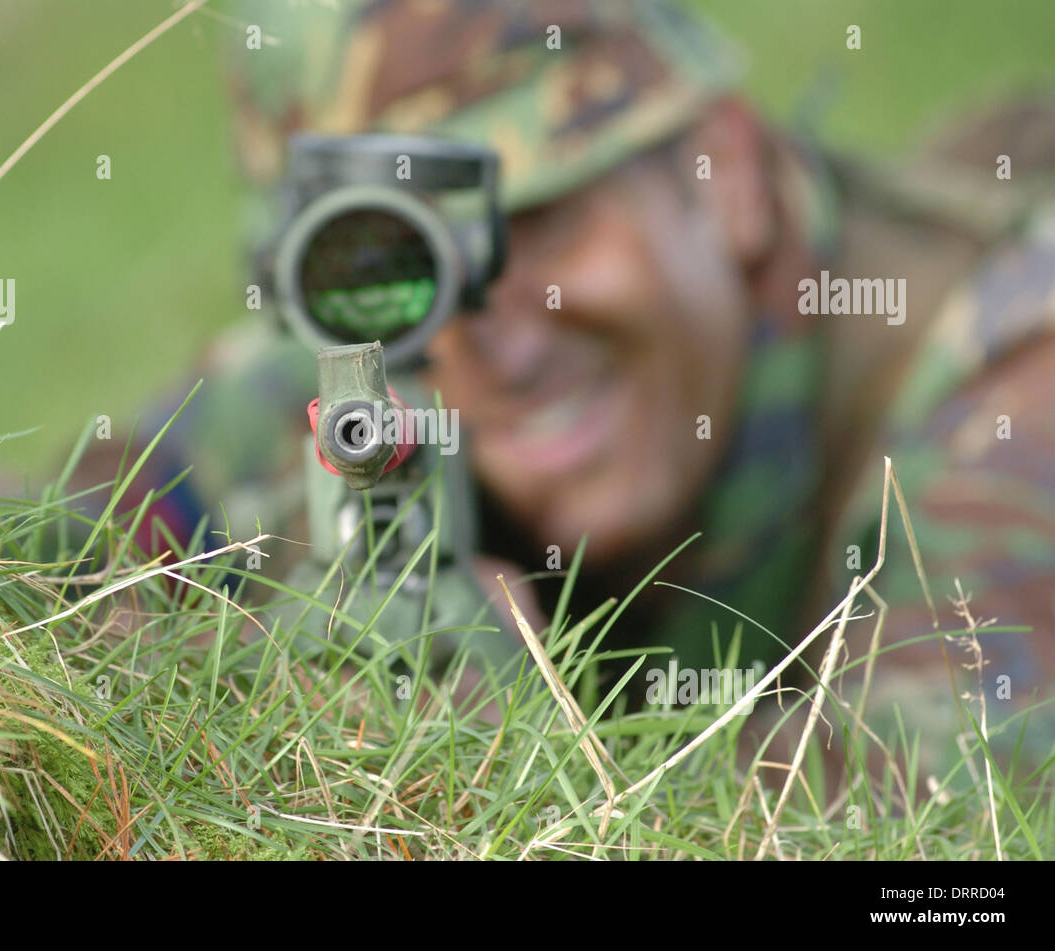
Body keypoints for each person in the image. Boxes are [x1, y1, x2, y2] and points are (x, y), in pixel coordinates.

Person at [79, 0, 1055, 777]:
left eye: (537, 220)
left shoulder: (1019, 395)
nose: (492, 342)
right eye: (396, 255)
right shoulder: (378, 366)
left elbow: (930, 834)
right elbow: (36, 546)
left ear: (728, 171)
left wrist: (522, 768)